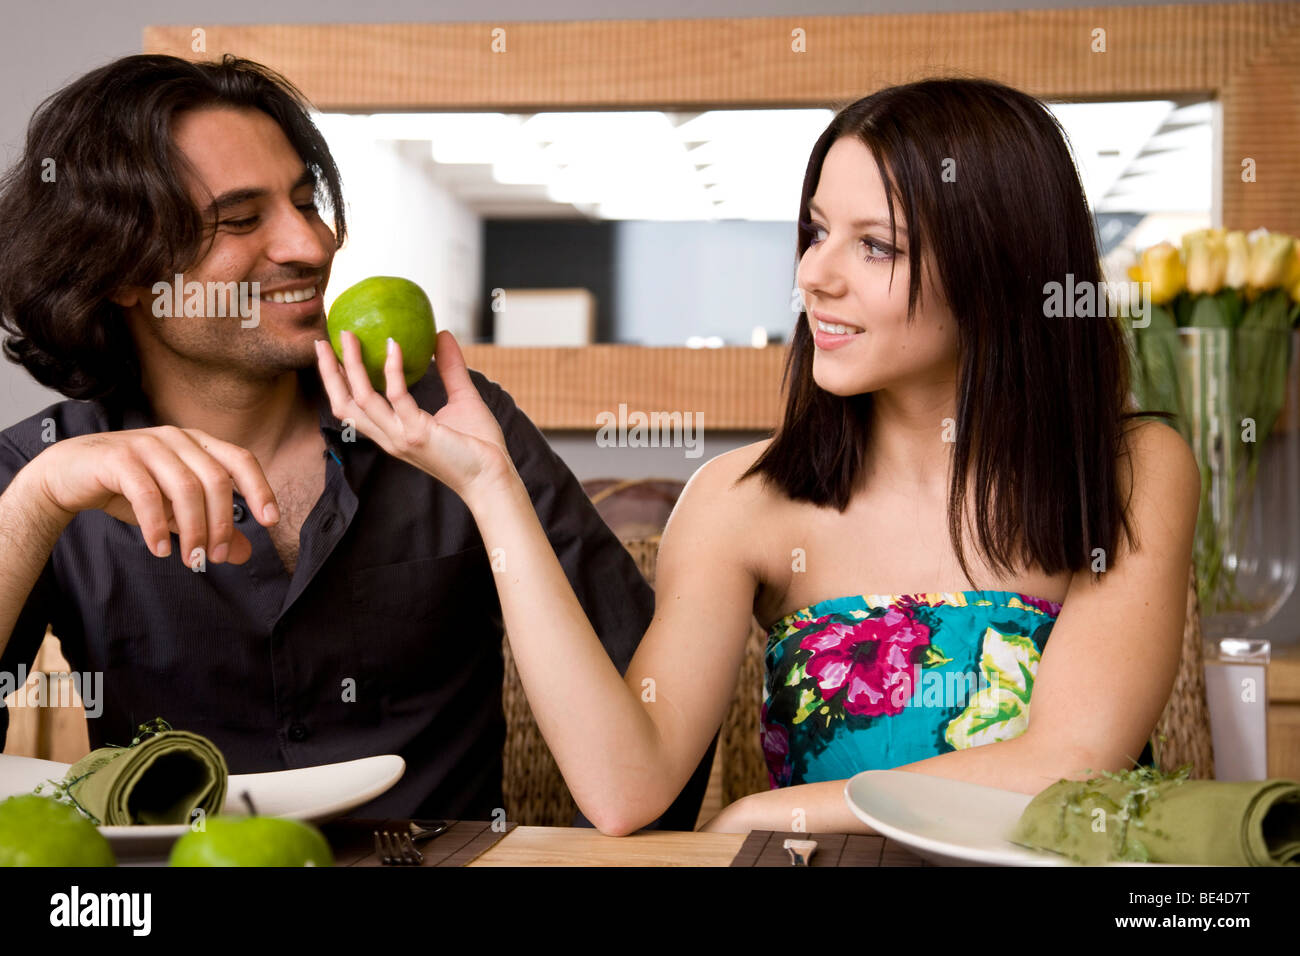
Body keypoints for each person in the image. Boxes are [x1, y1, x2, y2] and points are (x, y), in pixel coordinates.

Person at [313, 77, 1202, 836]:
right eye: (816, 231)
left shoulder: (1134, 467)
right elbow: (627, 788)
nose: (814, 273)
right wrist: (488, 482)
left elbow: (1073, 761)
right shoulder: (744, 497)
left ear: (998, 269)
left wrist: (770, 813)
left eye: (876, 244)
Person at [0, 53, 712, 829]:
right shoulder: (45, 471)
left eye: (306, 202)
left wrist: (489, 489)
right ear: (123, 271)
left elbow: (651, 771)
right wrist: (35, 505)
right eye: (241, 220)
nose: (311, 244)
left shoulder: (459, 425)